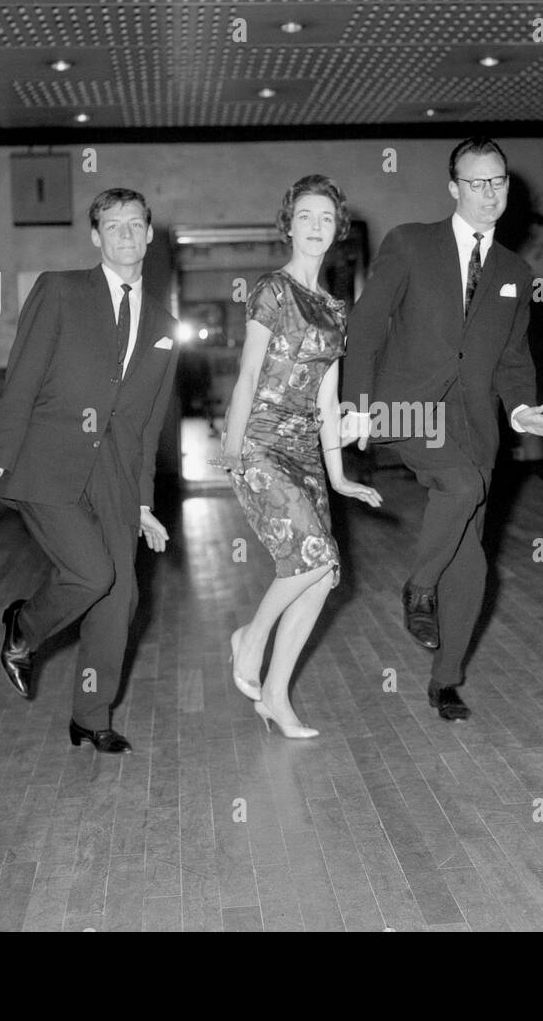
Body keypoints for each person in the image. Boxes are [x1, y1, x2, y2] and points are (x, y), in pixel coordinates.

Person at [342, 137, 543, 720]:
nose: (489, 192)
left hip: (473, 422)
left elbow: (515, 359)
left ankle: (445, 679)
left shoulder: (515, 271)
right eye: (476, 182)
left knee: (472, 558)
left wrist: (523, 409)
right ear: (453, 188)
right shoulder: (410, 243)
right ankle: (419, 587)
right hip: (406, 408)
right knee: (461, 487)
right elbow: (368, 327)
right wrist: (356, 404)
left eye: (497, 181)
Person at [0, 188, 178, 754]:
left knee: (118, 602)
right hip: (49, 465)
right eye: (111, 225)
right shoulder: (61, 290)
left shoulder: (166, 324)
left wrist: (142, 503)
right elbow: (20, 381)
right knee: (92, 574)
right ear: (95, 237)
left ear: (149, 233)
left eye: (134, 224)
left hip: (117, 477)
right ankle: (23, 628)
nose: (124, 233)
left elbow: (147, 426)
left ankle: (90, 718)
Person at [214, 175, 382, 738]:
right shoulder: (272, 291)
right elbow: (247, 377)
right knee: (311, 556)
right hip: (260, 443)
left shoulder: (335, 309)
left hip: (305, 451)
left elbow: (329, 399)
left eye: (326, 218)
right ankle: (250, 639)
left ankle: (277, 700)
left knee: (324, 574)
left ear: (338, 230)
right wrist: (234, 451)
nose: (316, 227)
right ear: (288, 224)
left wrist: (339, 475)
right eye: (305, 216)